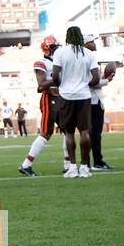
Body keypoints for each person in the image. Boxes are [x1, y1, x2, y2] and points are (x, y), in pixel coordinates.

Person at [49, 26, 100, 178]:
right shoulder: (89, 53)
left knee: (69, 133)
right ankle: (84, 167)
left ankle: (72, 167)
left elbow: (55, 76)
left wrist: (61, 85)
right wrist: (85, 84)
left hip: (66, 96)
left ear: (67, 37)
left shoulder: (60, 52)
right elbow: (96, 78)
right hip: (84, 96)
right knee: (84, 132)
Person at [19, 36, 62, 176]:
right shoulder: (42, 63)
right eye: (55, 47)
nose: (58, 49)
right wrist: (55, 81)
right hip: (49, 99)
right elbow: (41, 85)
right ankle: (26, 165)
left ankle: (69, 165)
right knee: (46, 133)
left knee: (68, 131)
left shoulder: (60, 61)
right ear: (48, 48)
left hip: (62, 98)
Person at [85, 38, 114, 170]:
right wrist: (107, 80)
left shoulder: (86, 57)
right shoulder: (87, 59)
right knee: (94, 133)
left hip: (92, 100)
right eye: (92, 41)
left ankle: (90, 161)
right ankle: (96, 161)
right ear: (86, 44)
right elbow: (91, 83)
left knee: (93, 133)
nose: (94, 43)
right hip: (92, 100)